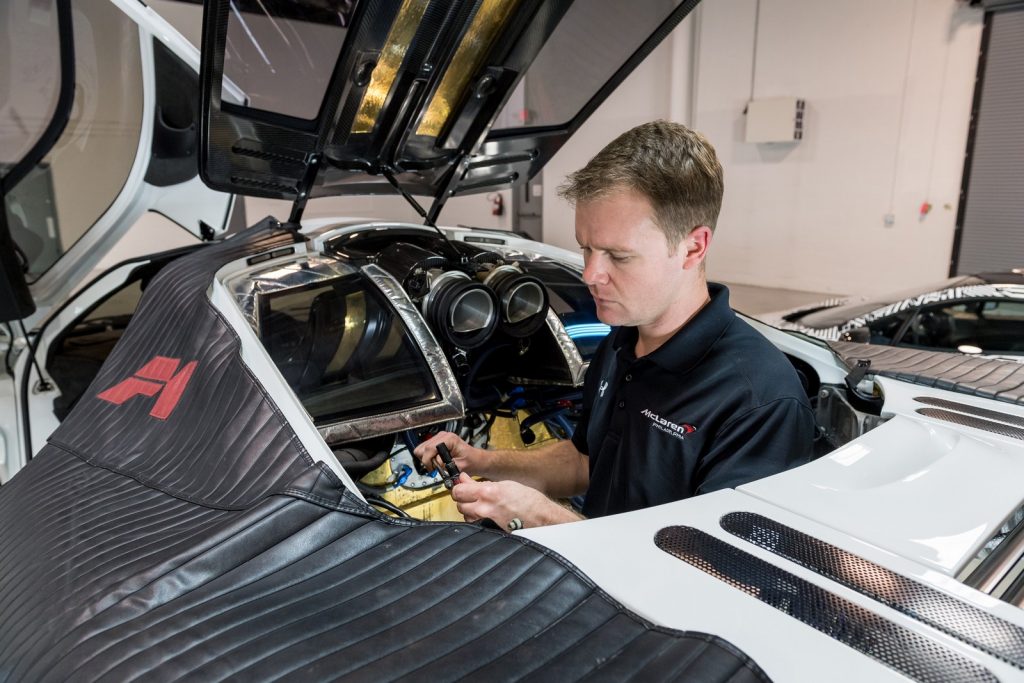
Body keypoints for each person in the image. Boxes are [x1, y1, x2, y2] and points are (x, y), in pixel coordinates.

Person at [415, 120, 815, 530]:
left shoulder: (758, 401)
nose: (590, 274)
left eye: (618, 256)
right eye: (585, 248)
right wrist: (483, 461)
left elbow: (712, 571)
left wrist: (543, 517)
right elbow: (586, 462)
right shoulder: (622, 342)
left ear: (693, 247)